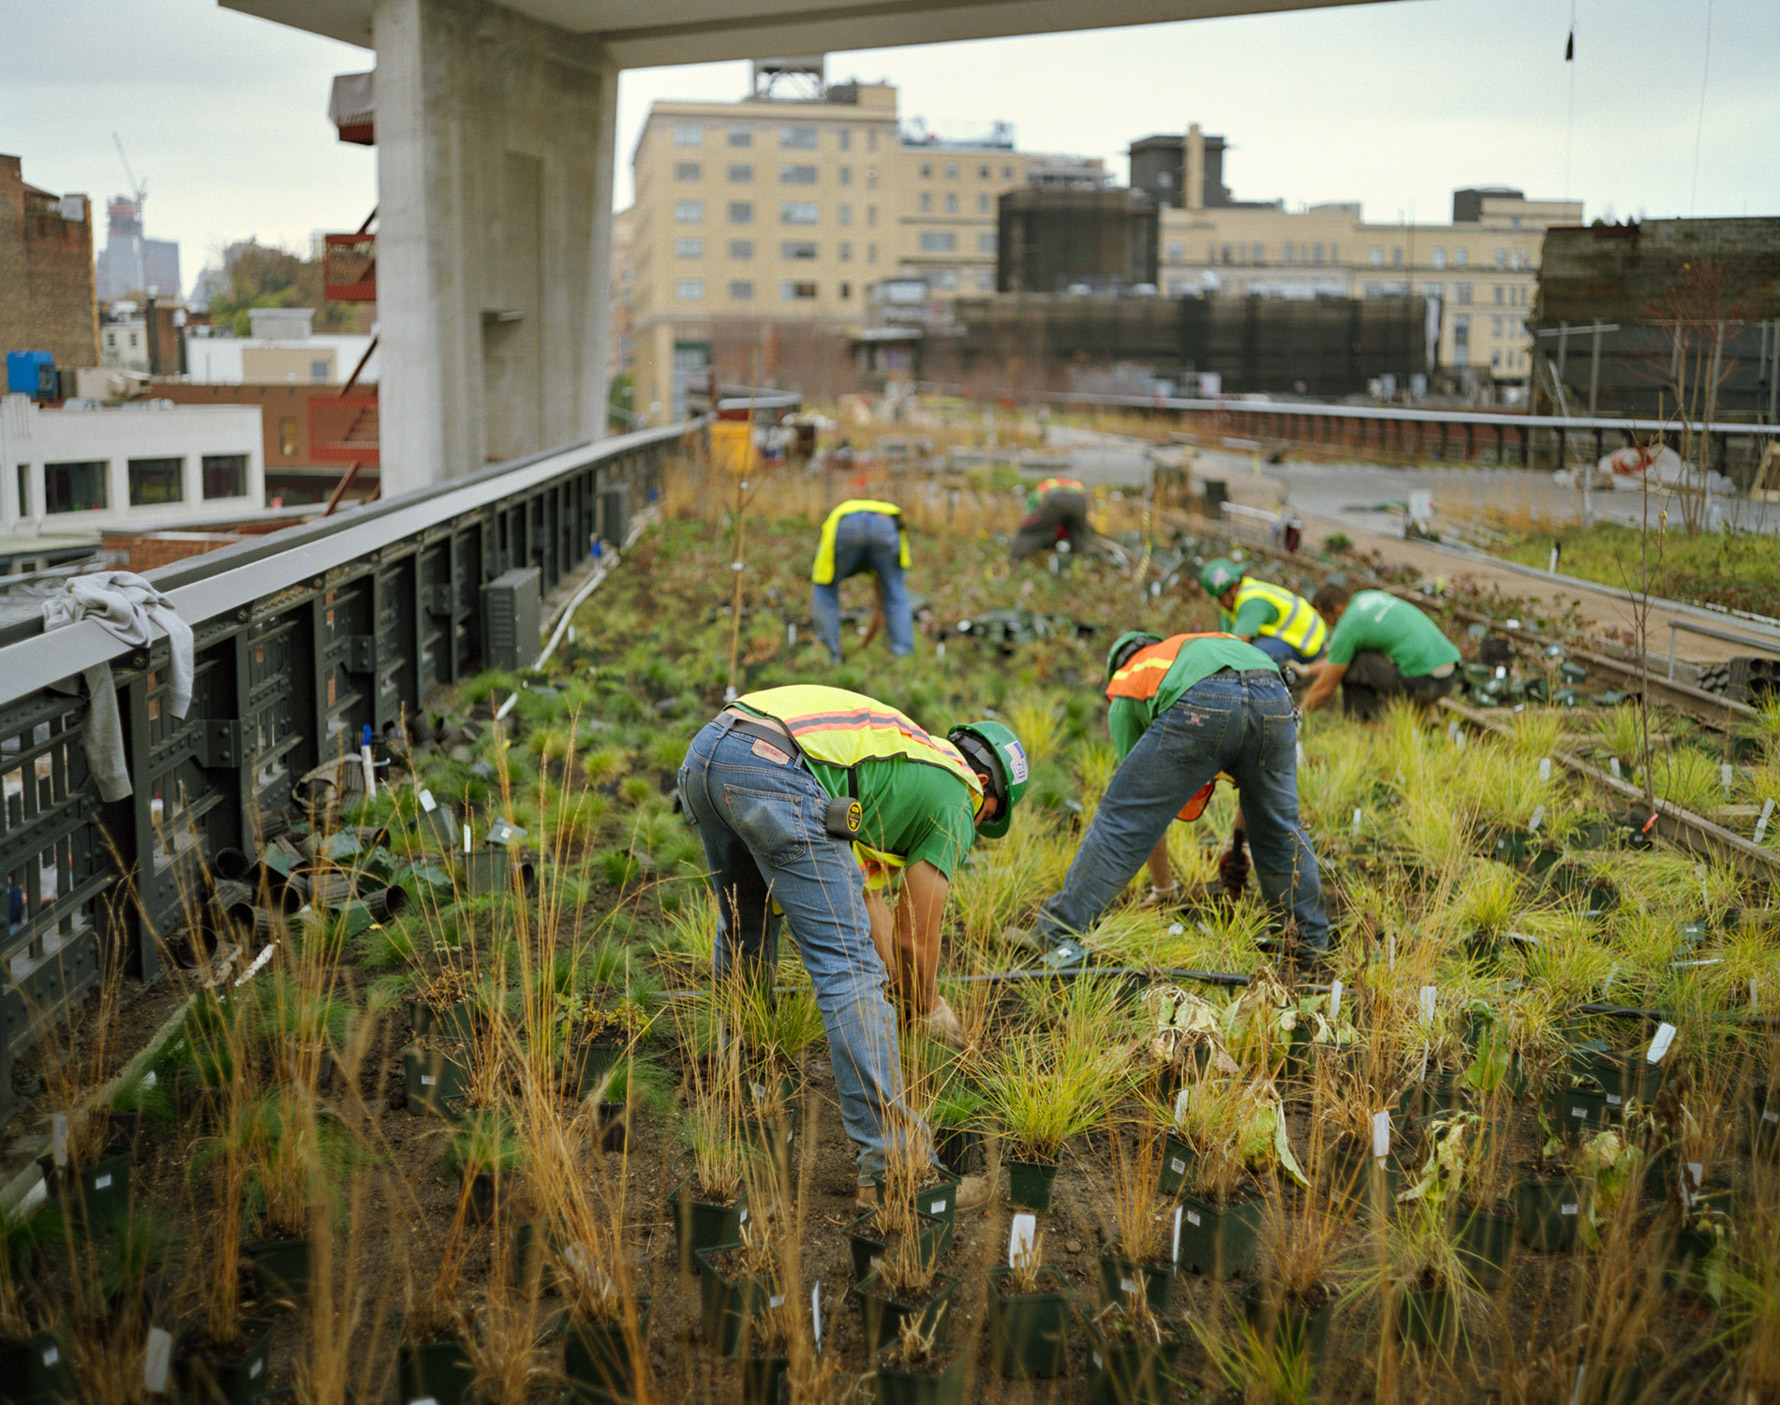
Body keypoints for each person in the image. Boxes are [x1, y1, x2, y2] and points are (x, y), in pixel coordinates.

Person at [679, 684, 1028, 1205]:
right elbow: (913, 940)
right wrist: (929, 1009)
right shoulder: (957, 794)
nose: (975, 828)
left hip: (712, 752)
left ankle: (740, 1103)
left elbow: (869, 906)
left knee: (745, 936)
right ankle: (897, 1170)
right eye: (986, 818)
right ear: (983, 784)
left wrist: (904, 998)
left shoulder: (894, 765)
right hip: (775, 770)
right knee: (848, 972)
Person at [1009, 631, 1328, 968]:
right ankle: (1308, 948)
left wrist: (1163, 889)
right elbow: (1257, 792)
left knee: (1120, 820)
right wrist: (1237, 843)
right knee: (1282, 831)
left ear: (1118, 665)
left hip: (1205, 702)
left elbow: (1140, 813)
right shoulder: (1201, 645)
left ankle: (1057, 929)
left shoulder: (1129, 680)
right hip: (1274, 694)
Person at [1300, 584, 1461, 720]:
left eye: (1327, 619)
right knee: (1362, 657)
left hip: (1424, 682)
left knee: (1356, 666)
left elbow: (1324, 689)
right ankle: (1425, 712)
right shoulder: (1368, 598)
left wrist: (1297, 715)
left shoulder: (1348, 626)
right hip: (1449, 676)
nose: (1330, 625)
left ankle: (1372, 727)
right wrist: (1306, 670)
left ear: (1337, 609)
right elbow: (1334, 663)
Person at [811, 500, 913, 665]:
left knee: (826, 588)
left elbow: (880, 606)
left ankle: (828, 656)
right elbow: (883, 601)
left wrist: (866, 640)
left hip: (845, 524)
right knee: (895, 595)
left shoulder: (847, 507)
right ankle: (904, 658)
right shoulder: (885, 509)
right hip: (886, 524)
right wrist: (865, 642)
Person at [1199, 558, 1327, 668]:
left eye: (1221, 598)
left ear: (1233, 588)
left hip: (1310, 644)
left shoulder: (1251, 602)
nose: (1220, 603)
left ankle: (1273, 689)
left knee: (1257, 655)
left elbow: (1239, 647)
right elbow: (1225, 640)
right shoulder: (1230, 604)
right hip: (1290, 638)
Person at [1010, 475, 1100, 561]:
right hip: (1079, 501)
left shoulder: (1044, 486)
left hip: (1056, 499)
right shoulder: (1076, 484)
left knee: (1029, 531)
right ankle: (1086, 560)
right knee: (1079, 536)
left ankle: (1016, 559)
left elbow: (1031, 513)